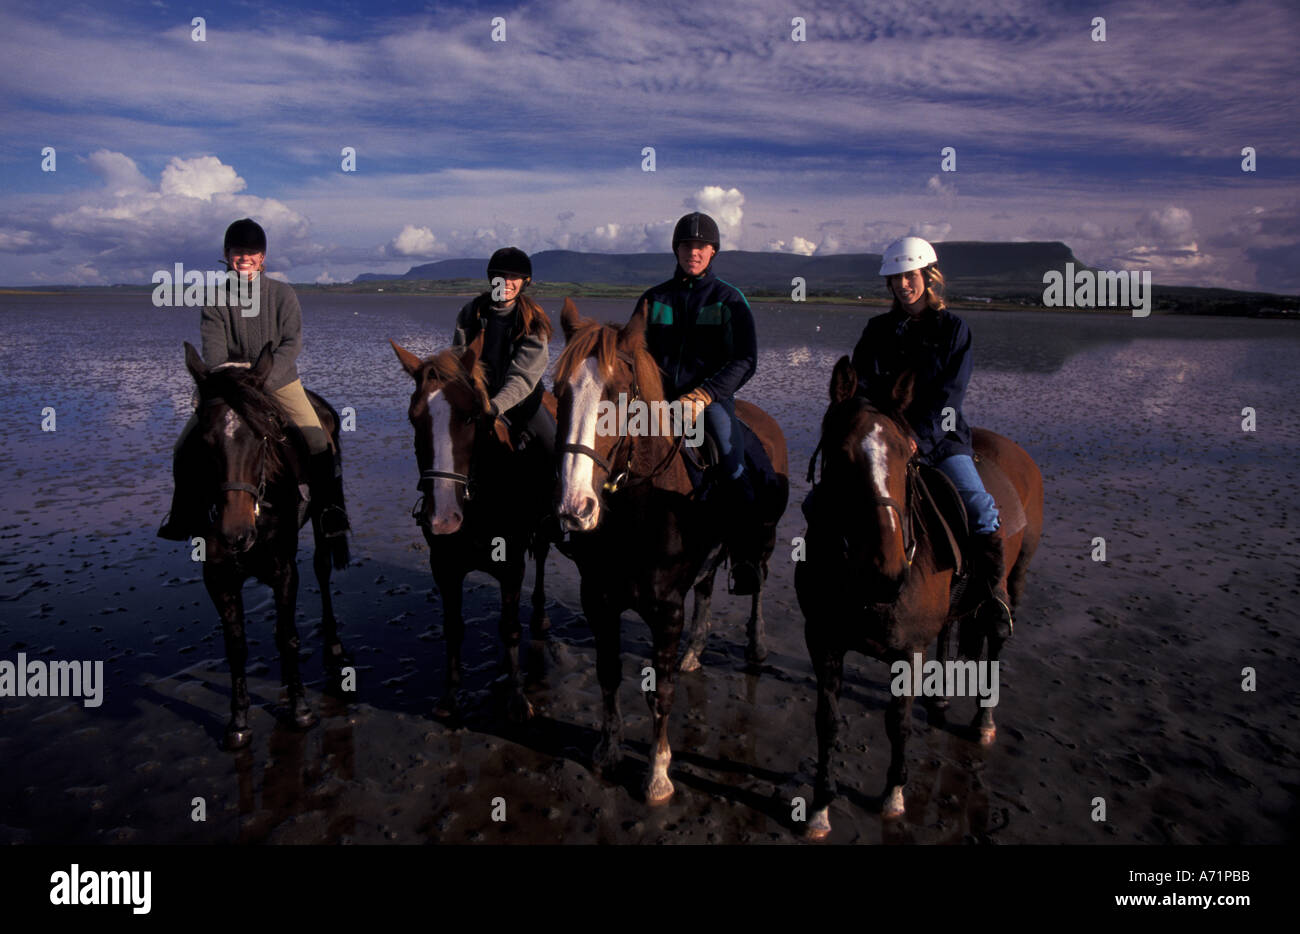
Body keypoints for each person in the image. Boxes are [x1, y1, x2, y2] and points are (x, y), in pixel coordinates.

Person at [850, 236, 1013, 638]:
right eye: (896, 278)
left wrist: (917, 439)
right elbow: (862, 388)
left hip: (939, 440)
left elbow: (949, 398)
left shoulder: (954, 330)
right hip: (887, 441)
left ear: (928, 276)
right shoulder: (877, 330)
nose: (903, 285)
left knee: (979, 508)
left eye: (910, 276)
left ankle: (994, 598)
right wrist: (876, 431)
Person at [158, 218, 349, 540]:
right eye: (238, 252)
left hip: (280, 381)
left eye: (252, 252)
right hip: (232, 387)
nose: (244, 258)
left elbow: (292, 342)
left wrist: (264, 379)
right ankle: (183, 515)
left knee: (318, 439)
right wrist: (241, 384)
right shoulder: (215, 298)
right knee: (183, 446)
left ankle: (330, 510)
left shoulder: (282, 294)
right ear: (226, 254)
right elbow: (215, 355)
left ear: (262, 258)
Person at [638, 211, 762, 594]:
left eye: (701, 246)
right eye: (687, 245)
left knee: (730, 457)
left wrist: (704, 394)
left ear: (712, 252)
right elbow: (634, 350)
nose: (694, 252)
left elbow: (745, 359)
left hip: (708, 399)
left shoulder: (727, 299)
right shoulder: (653, 298)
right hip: (657, 400)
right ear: (676, 250)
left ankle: (745, 556)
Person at [450, 247, 555, 457]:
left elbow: (523, 377)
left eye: (514, 277)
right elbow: (459, 359)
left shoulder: (533, 320)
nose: (506, 282)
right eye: (501, 276)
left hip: (521, 402)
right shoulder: (471, 312)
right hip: (477, 400)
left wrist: (494, 408)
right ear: (492, 279)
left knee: (555, 449)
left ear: (525, 281)